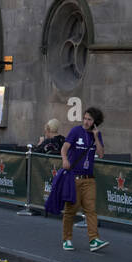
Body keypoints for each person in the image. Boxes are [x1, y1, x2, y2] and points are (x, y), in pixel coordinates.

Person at [48, 106, 108, 253]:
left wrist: (96, 137)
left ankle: (94, 239)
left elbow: (101, 154)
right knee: (71, 210)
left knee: (91, 210)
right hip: (74, 177)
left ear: (95, 122)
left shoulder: (96, 135)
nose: (86, 121)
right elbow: (64, 148)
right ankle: (67, 239)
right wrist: (64, 159)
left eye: (89, 119)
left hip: (89, 179)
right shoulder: (76, 131)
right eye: (85, 118)